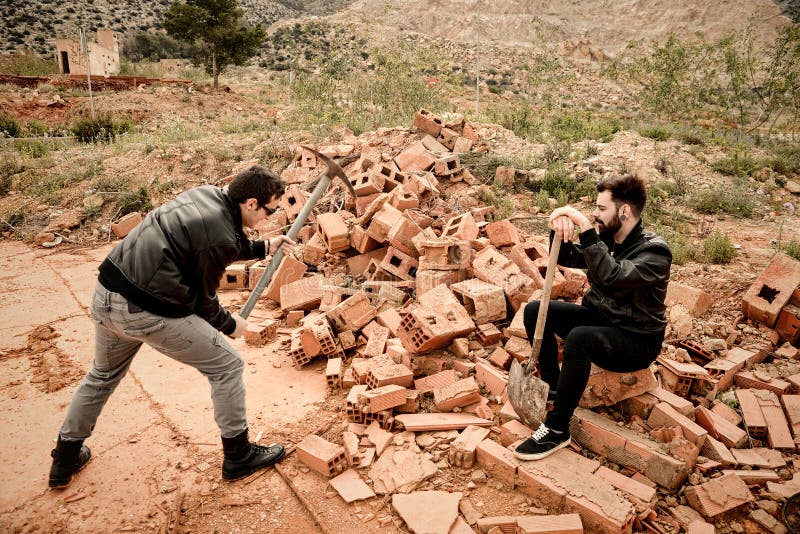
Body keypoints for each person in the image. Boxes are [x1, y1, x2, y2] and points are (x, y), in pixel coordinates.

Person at [48, 165, 296, 488]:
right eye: (269, 210)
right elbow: (204, 302)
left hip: (106, 293)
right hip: (143, 308)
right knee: (228, 365)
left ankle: (64, 460)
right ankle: (238, 455)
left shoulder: (207, 195)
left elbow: (215, 242)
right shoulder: (220, 234)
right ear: (251, 203)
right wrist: (231, 324)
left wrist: (264, 247)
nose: (269, 217)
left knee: (102, 375)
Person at [514, 174, 671, 461]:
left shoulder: (655, 253)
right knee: (536, 311)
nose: (595, 215)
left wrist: (584, 226)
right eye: (594, 210)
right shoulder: (609, 238)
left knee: (579, 339)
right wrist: (558, 223)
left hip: (635, 340)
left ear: (623, 211)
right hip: (601, 319)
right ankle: (553, 388)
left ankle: (558, 429)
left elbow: (610, 276)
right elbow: (568, 257)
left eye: (600, 209)